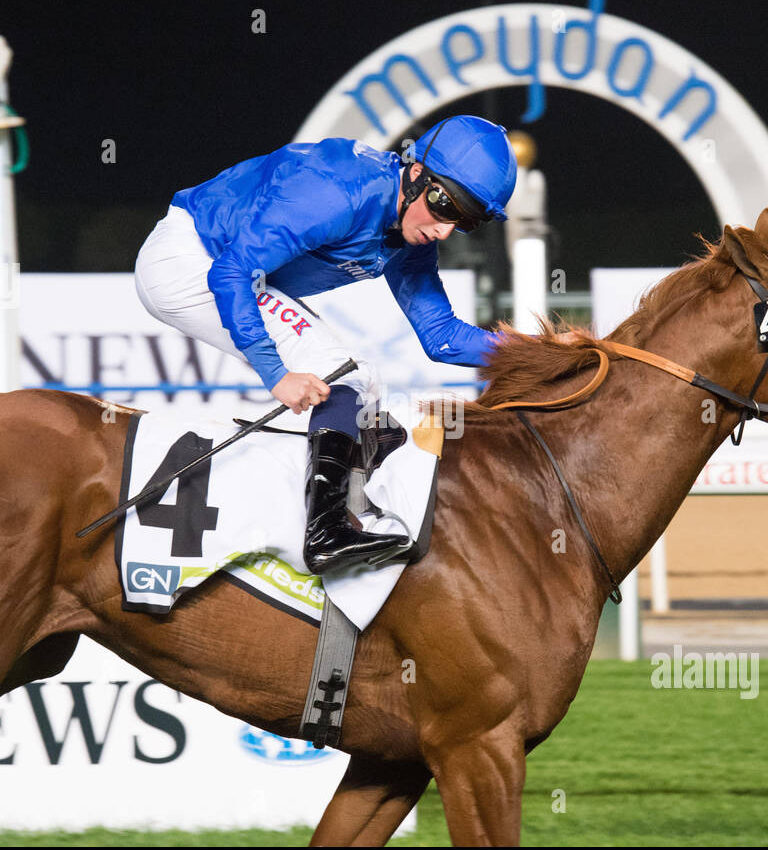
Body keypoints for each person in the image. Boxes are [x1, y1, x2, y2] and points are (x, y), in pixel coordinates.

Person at [134, 115, 517, 574]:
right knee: (343, 374)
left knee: (365, 386)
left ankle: (348, 514)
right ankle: (325, 533)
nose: (444, 229)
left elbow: (442, 338)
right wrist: (275, 374)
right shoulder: (335, 191)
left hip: (219, 264)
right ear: (416, 173)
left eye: (464, 219)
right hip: (189, 260)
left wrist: (540, 352)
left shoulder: (410, 237)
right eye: (442, 204)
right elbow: (230, 272)